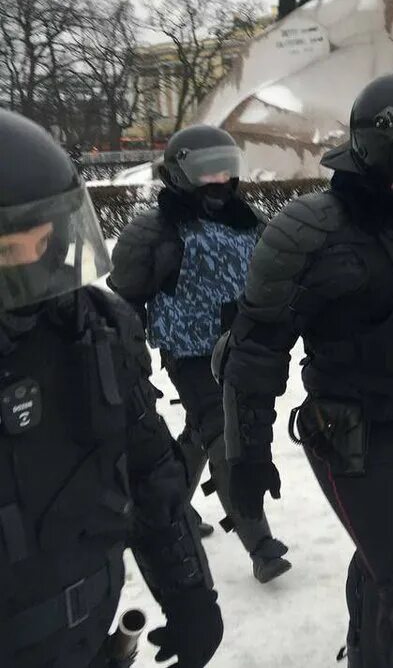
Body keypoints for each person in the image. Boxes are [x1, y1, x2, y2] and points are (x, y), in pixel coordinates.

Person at [219, 73, 393, 668]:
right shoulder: (313, 230)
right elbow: (255, 350)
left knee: (386, 567)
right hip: (357, 447)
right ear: (377, 146)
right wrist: (246, 453)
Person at [0, 109, 223, 668]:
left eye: (44, 242)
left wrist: (190, 592)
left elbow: (149, 471)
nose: (33, 265)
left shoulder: (95, 328)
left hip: (94, 635)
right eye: (7, 253)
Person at [108, 125, 292, 584]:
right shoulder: (153, 230)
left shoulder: (249, 222)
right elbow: (124, 304)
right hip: (188, 353)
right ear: (179, 175)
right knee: (224, 433)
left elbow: (277, 276)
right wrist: (128, 366)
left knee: (202, 429)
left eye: (224, 171)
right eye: (205, 172)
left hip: (242, 349)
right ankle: (260, 544)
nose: (217, 181)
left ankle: (176, 506)